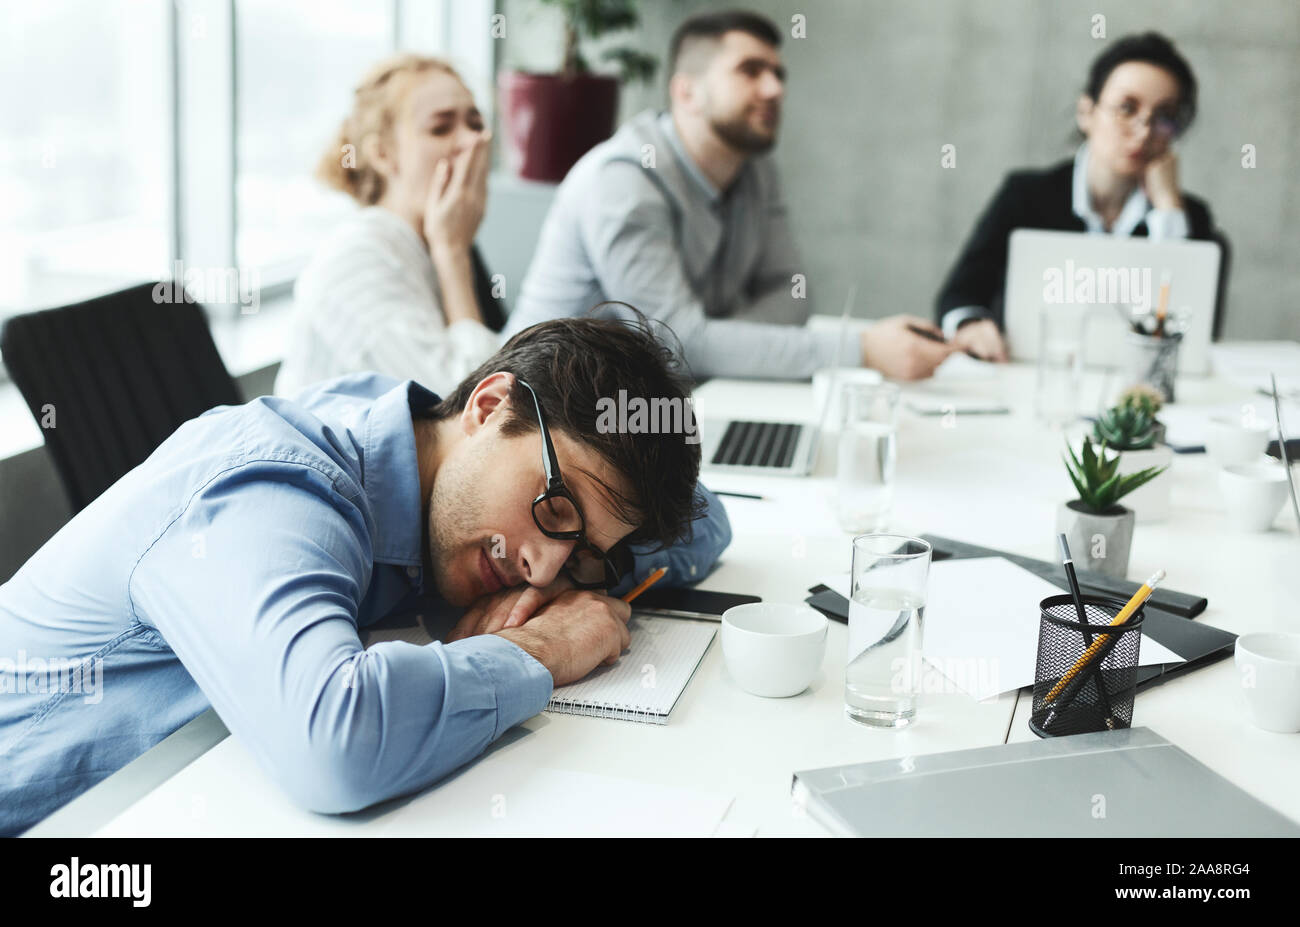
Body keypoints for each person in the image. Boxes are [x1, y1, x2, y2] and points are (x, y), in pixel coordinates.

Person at [0, 317, 731, 835]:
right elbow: (335, 744)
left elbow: (709, 523)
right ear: (487, 406)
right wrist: (544, 645)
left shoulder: (415, 432)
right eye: (556, 506)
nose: (544, 567)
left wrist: (592, 558)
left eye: (580, 552)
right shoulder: (279, 486)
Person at [506, 9, 955, 382]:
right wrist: (861, 349)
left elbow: (793, 295)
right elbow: (677, 344)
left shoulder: (755, 169)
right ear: (687, 92)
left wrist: (715, 344)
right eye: (750, 71)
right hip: (548, 416)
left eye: (777, 74)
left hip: (667, 405)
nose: (775, 88)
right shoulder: (622, 181)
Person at [935, 32, 1217, 361]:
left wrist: (1168, 210)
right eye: (1127, 108)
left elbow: (1191, 328)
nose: (1144, 131)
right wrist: (970, 325)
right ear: (1087, 111)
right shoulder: (1026, 195)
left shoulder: (1186, 216)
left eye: (1165, 117)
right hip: (1029, 374)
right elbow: (960, 294)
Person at [275, 54, 503, 399]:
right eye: (441, 128)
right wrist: (453, 254)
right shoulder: (357, 259)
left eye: (475, 123)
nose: (472, 141)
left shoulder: (436, 245)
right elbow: (473, 413)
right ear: (382, 155)